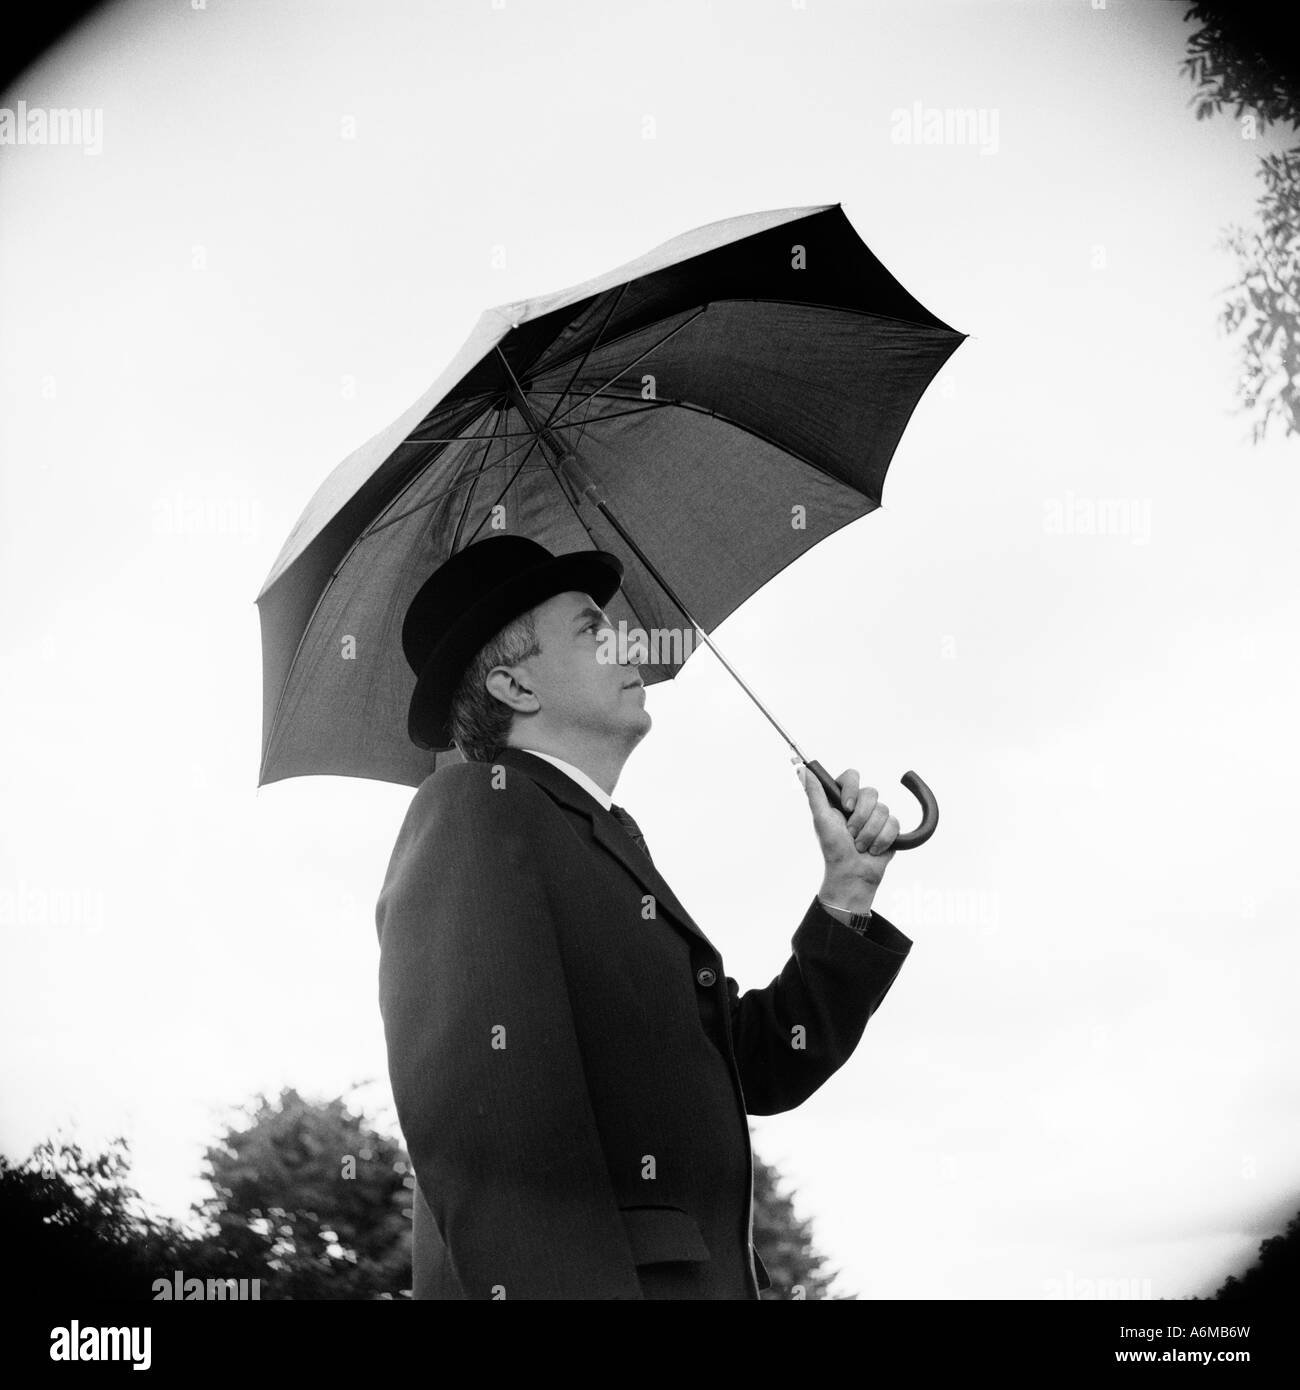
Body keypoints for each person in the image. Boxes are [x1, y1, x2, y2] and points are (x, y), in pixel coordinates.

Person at [375, 534, 913, 1300]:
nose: (626, 640)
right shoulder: (473, 809)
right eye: (592, 628)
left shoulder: (604, 839)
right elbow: (487, 1138)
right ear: (514, 686)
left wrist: (847, 894)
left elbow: (758, 1062)